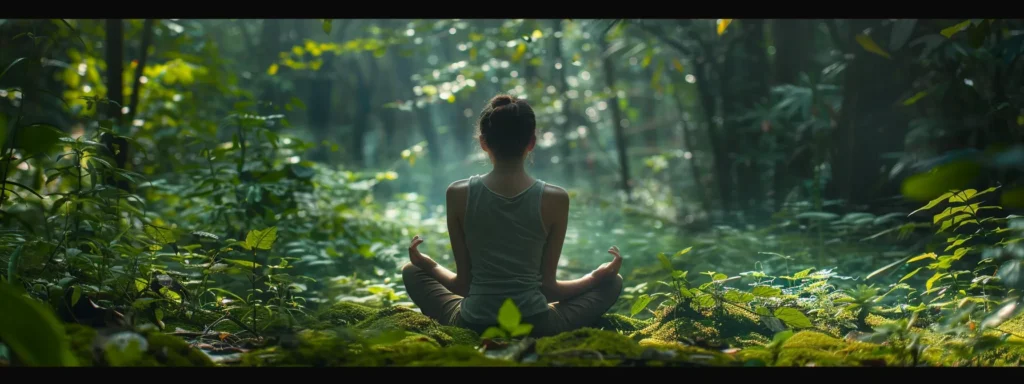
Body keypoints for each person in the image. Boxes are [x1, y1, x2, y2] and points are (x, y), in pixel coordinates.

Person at [401, 94, 624, 338]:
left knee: (412, 271)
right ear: (532, 142)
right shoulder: (556, 198)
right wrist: (595, 277)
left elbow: (462, 287)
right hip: (537, 325)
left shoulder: (458, 194)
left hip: (473, 323)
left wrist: (428, 265)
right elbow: (549, 291)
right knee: (612, 282)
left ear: (483, 142)